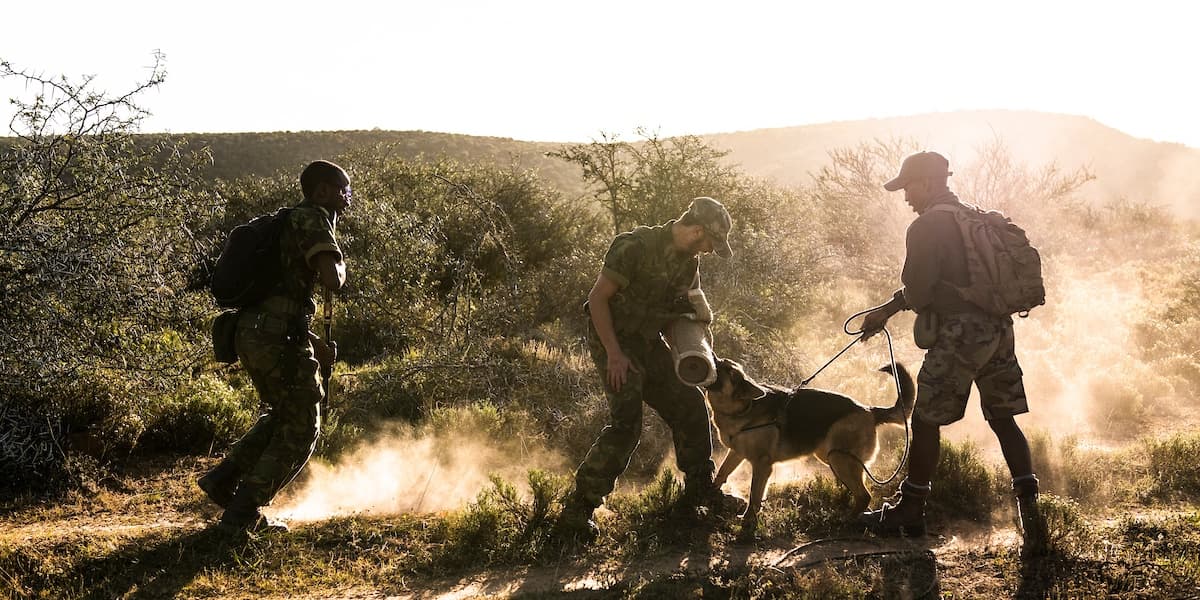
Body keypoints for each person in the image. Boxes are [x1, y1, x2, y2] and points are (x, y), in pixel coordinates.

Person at [858, 151, 1046, 553]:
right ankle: (1032, 513)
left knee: (925, 419)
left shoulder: (927, 226)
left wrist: (889, 310)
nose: (906, 196)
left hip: (960, 333)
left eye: (909, 187)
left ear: (927, 182)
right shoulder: (975, 217)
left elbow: (919, 291)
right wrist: (887, 310)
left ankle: (911, 510)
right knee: (1003, 418)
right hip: (998, 329)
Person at [555, 197, 743, 542]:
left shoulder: (687, 264)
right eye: (709, 243)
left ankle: (700, 494)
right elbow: (597, 300)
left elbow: (675, 315)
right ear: (696, 231)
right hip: (613, 339)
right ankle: (578, 511)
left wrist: (690, 354)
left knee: (689, 403)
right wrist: (614, 354)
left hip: (646, 340)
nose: (708, 250)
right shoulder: (635, 247)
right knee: (627, 424)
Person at [198, 160, 351, 534]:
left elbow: (280, 301)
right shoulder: (314, 218)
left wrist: (314, 343)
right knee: (303, 427)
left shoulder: (288, 221)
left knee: (284, 414)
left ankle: (223, 479)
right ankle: (242, 514)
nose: (348, 198)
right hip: (274, 337)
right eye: (343, 189)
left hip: (254, 332)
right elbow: (333, 280)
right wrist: (341, 265)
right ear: (322, 191)